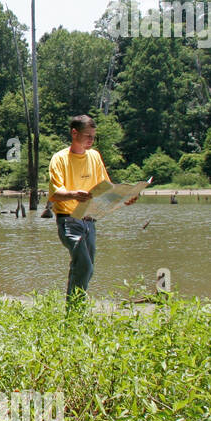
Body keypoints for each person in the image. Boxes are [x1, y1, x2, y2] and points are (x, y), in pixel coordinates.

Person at [48, 114, 135, 309]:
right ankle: (75, 311)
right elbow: (55, 193)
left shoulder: (95, 156)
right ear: (74, 133)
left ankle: (73, 310)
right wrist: (73, 194)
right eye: (87, 135)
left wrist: (125, 198)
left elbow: (106, 188)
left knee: (85, 267)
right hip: (68, 220)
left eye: (93, 137)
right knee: (84, 265)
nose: (91, 140)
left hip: (90, 220)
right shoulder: (60, 159)